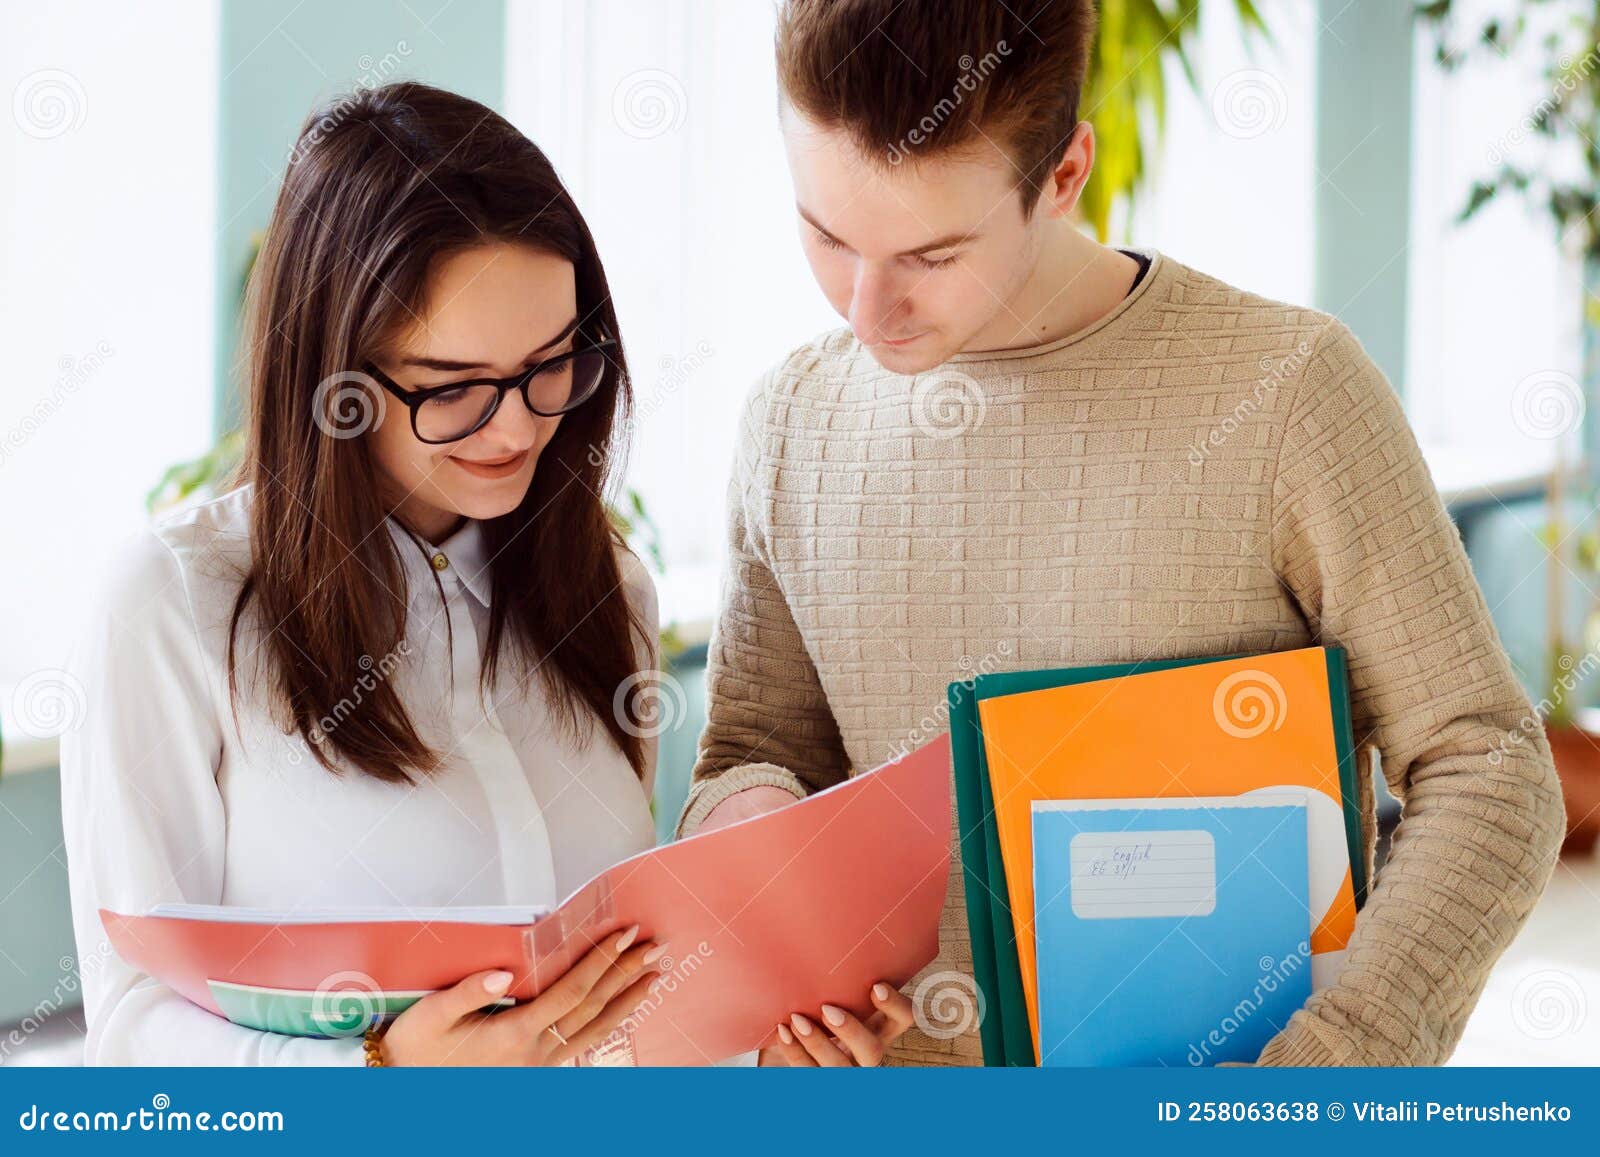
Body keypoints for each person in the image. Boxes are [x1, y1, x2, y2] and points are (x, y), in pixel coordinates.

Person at [681, 0, 1567, 1067]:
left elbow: (1490, 765)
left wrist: (1333, 1068)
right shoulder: (791, 418)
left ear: (1063, 176)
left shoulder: (1285, 390)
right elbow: (751, 752)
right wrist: (760, 867)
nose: (868, 312)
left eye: (932, 253)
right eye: (825, 234)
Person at [60, 82, 670, 1066]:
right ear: (328, 373)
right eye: (452, 388)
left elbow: (622, 1001)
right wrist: (378, 1077)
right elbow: (131, 1028)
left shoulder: (610, 589)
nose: (517, 427)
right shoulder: (174, 607)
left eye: (553, 362)